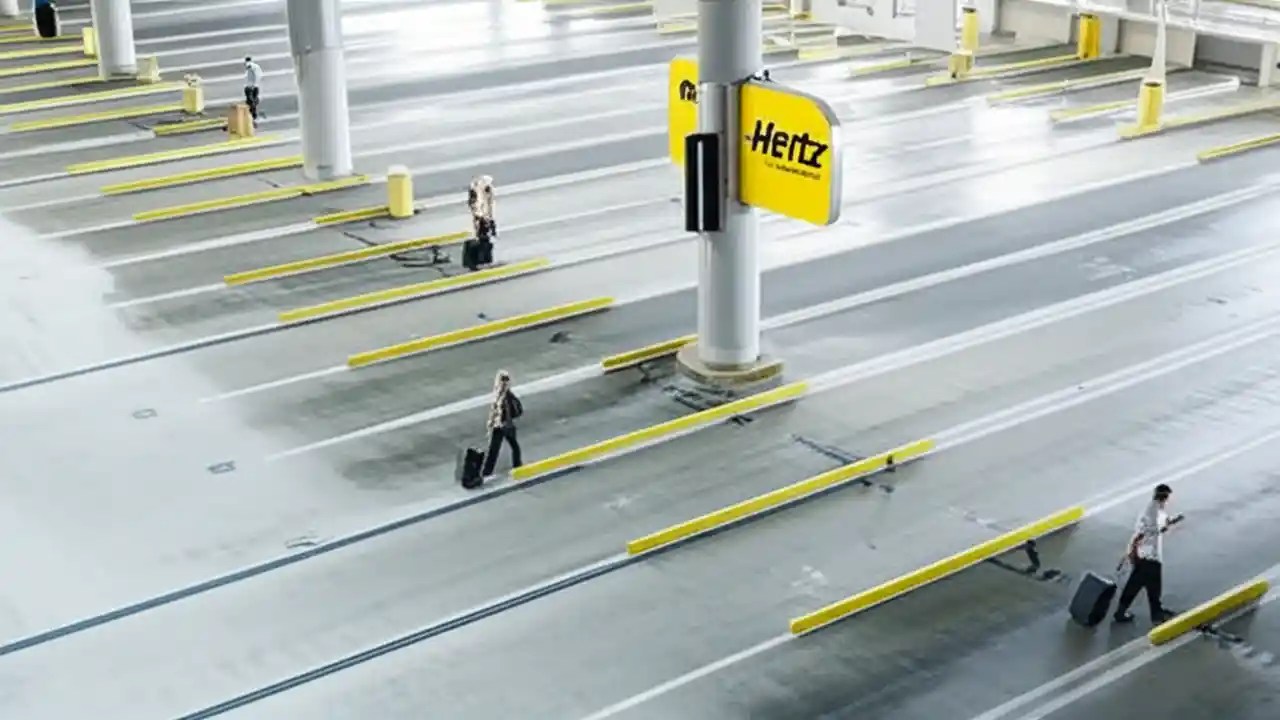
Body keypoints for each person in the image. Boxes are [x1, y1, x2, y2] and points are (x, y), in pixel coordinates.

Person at [1114, 484, 1178, 624]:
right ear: (1165, 498)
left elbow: (1157, 528)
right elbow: (1143, 533)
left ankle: (1123, 611)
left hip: (1144, 555)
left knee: (1138, 585)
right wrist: (1132, 552)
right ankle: (1156, 615)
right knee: (1151, 587)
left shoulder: (1152, 509)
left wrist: (1169, 523)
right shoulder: (1153, 512)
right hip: (1149, 556)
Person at [480, 369, 522, 479]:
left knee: (494, 451)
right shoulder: (505, 395)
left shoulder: (502, 395)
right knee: (512, 447)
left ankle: (486, 473)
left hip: (501, 426)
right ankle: (517, 466)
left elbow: (495, 411)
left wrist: (491, 423)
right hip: (504, 426)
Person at [468, 174, 496, 244]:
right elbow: (474, 202)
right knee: (479, 220)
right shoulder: (476, 188)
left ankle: (485, 233)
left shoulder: (488, 189)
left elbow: (490, 202)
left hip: (483, 207)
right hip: (479, 208)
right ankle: (479, 235)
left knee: (484, 220)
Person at [243, 56, 264, 124]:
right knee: (252, 101)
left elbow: (250, 68)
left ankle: (253, 116)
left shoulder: (250, 66)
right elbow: (260, 75)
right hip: (254, 86)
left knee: (251, 102)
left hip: (251, 87)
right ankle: (252, 115)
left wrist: (253, 85)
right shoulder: (257, 67)